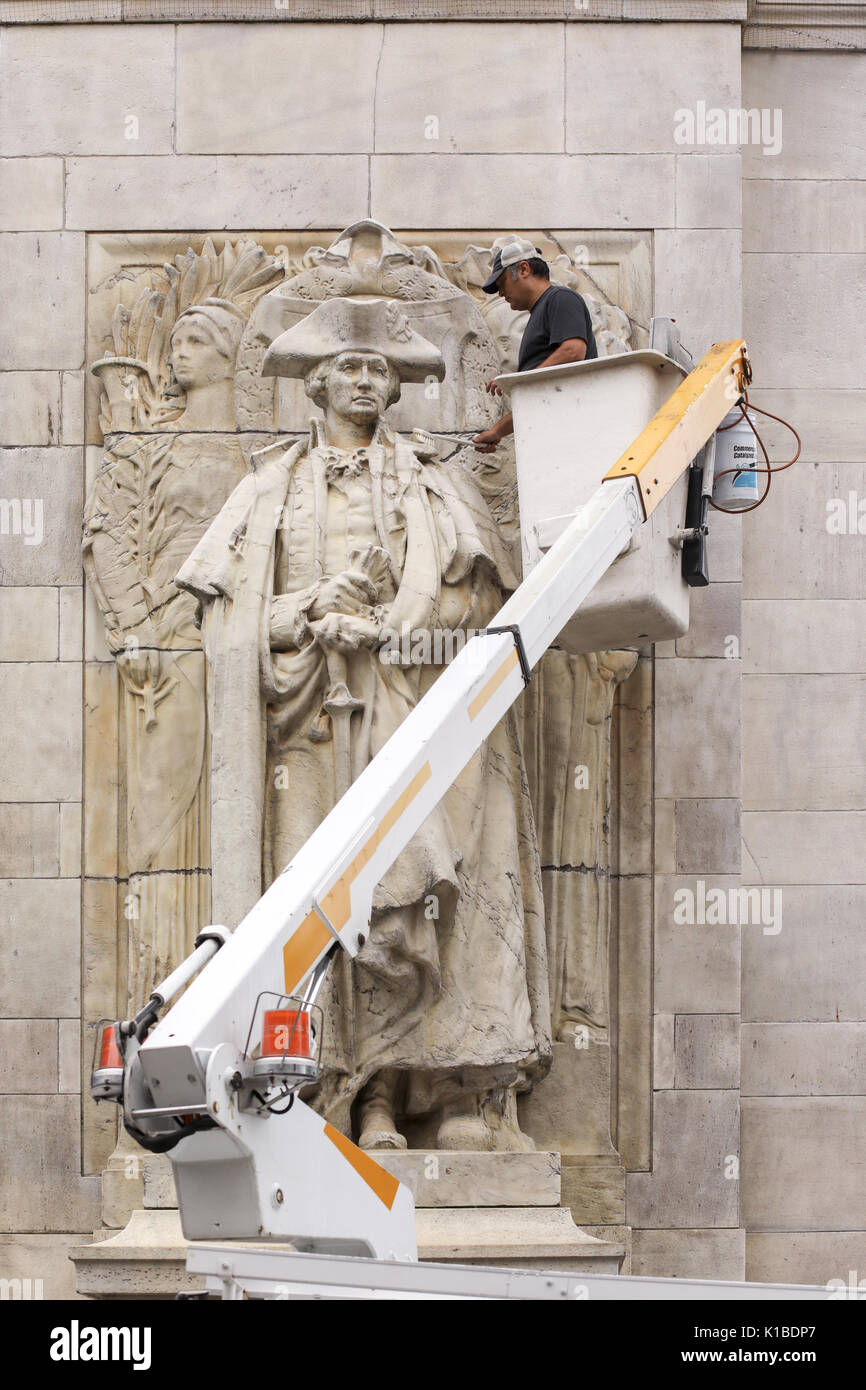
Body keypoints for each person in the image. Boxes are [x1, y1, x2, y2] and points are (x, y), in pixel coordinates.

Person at [176, 296, 552, 1153]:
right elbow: (227, 622)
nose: (365, 379)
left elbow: (481, 609)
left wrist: (389, 633)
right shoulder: (269, 488)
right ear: (315, 385)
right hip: (302, 734)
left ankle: (411, 1092)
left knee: (406, 904)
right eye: (349, 366)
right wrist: (311, 611)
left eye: (380, 368)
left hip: (408, 722)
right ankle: (318, 1093)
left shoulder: (433, 484)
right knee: (307, 918)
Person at [472, 238, 597, 454]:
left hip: (572, 432)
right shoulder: (541, 310)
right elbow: (538, 394)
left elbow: (574, 351)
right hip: (555, 436)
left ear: (523, 269)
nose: (500, 293)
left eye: (502, 284)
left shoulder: (561, 298)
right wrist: (498, 431)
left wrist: (517, 382)